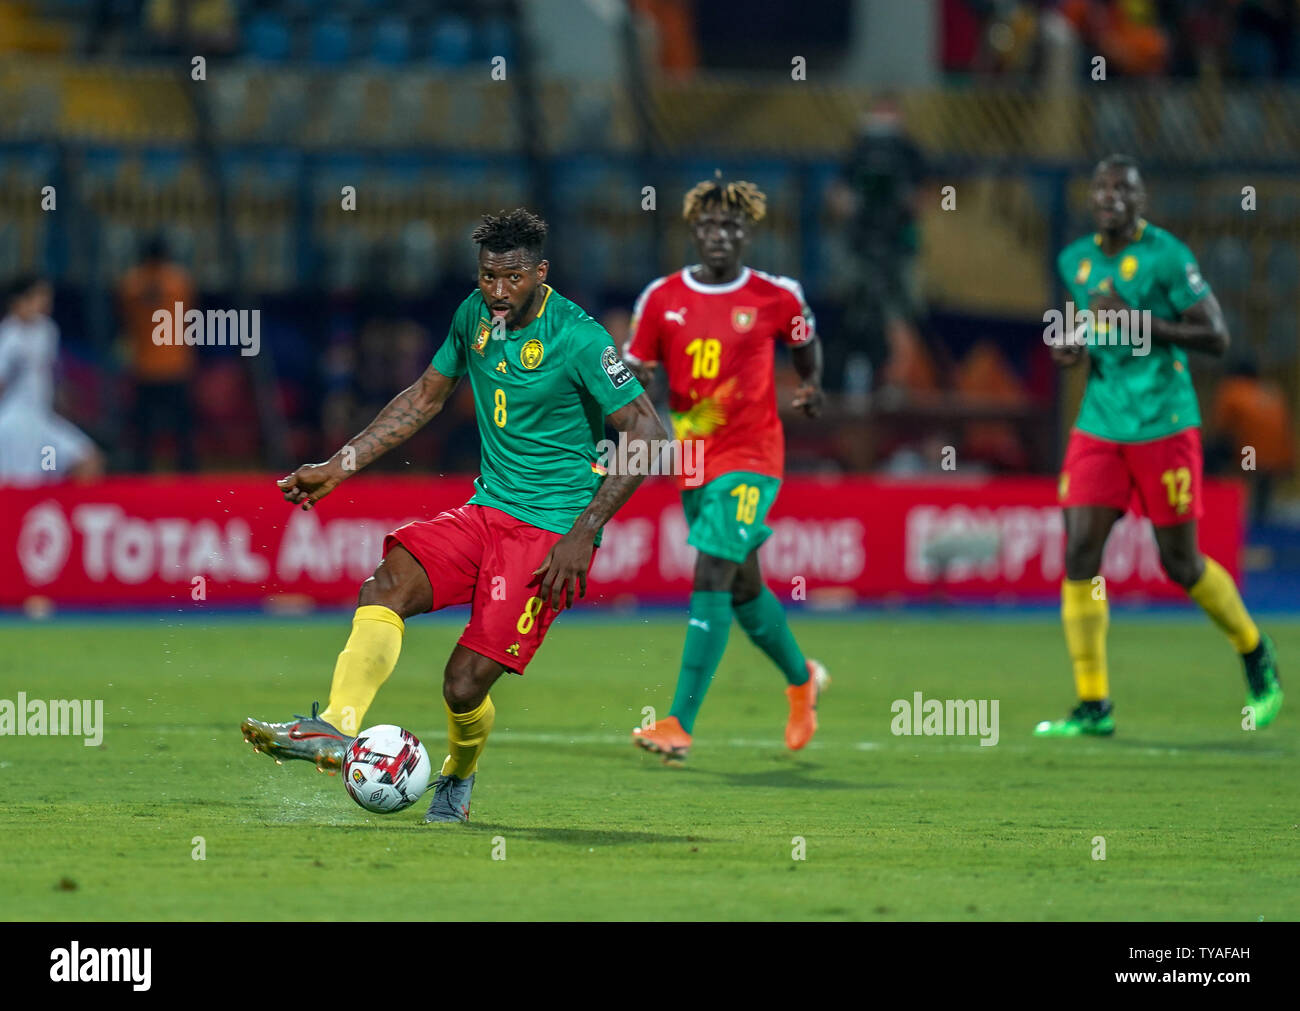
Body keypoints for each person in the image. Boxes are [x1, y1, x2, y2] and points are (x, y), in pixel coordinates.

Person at [241, 209, 666, 821]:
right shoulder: (473, 316)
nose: (497, 292)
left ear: (540, 273)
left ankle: (458, 777)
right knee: (384, 584)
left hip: (550, 534)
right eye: (488, 276)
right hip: (486, 510)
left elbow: (649, 434)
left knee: (463, 685)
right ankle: (334, 727)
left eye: (512, 278)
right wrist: (339, 466)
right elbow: (424, 397)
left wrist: (585, 532)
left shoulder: (581, 337)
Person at [1038, 154, 1281, 737]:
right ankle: (1094, 704)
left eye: (1124, 188)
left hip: (1163, 422)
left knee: (1180, 562)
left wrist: (1140, 321)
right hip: (1100, 421)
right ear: (1092, 199)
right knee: (1079, 552)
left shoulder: (1167, 257)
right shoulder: (1074, 261)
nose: (1111, 197)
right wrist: (1069, 345)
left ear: (1140, 201)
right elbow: (1079, 328)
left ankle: (1253, 649)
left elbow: (1216, 337)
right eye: (1102, 188)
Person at [622, 176, 828, 764]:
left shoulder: (776, 295)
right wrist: (638, 389)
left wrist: (811, 382)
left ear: (747, 234)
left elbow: (805, 340)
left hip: (752, 458)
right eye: (709, 226)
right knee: (743, 587)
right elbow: (639, 368)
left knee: (711, 569)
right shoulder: (660, 298)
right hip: (692, 459)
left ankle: (679, 722)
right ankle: (801, 678)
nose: (719, 236)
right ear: (694, 232)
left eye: (731, 227)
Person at [0, 274, 103, 482]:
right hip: (15, 421)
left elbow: (51, 374)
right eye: (40, 296)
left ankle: (68, 511)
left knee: (87, 458)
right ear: (20, 300)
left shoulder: (47, 330)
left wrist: (62, 401)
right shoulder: (8, 335)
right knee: (25, 482)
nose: (46, 302)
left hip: (44, 419)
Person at [118, 234, 197, 471]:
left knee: (144, 431)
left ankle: (141, 473)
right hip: (176, 365)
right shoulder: (179, 281)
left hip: (144, 367)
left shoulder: (130, 283)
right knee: (183, 430)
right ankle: (188, 474)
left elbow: (125, 318)